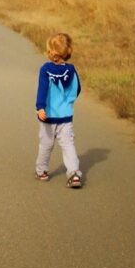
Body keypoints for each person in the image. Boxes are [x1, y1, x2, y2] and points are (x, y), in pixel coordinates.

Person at [34, 32, 83, 188]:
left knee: (46, 144)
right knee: (68, 145)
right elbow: (77, 89)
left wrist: (40, 107)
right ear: (68, 52)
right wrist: (67, 103)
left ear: (50, 52)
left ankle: (42, 171)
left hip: (48, 116)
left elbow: (42, 89)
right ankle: (74, 174)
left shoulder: (45, 70)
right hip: (65, 116)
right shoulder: (71, 70)